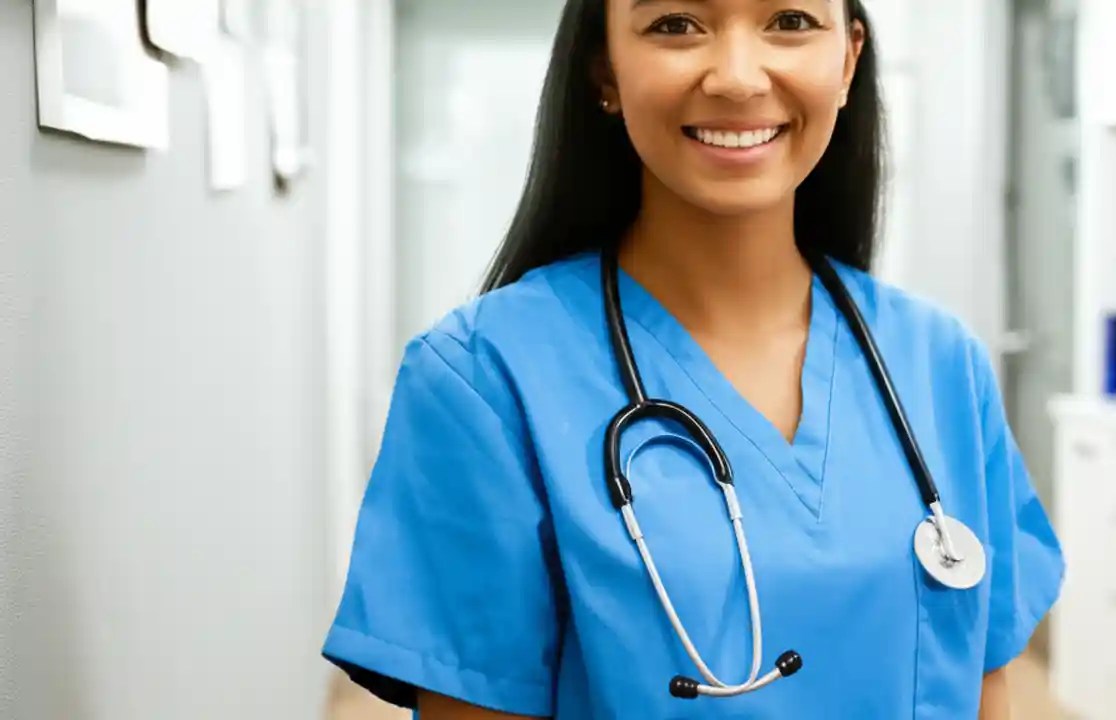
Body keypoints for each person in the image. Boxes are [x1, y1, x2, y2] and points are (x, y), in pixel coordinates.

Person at [321, 0, 1065, 717]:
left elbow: (983, 686)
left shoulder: (940, 365)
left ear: (848, 59)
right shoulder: (483, 380)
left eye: (791, 21)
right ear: (604, 72)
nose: (737, 76)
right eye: (676, 24)